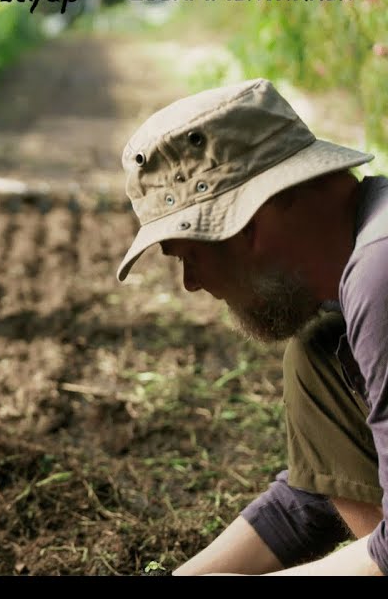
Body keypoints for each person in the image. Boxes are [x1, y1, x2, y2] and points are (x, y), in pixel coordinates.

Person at [115, 77, 388, 575]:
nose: (192, 283)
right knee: (317, 354)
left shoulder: (381, 273)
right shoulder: (360, 278)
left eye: (190, 255)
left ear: (249, 221)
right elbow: (314, 497)